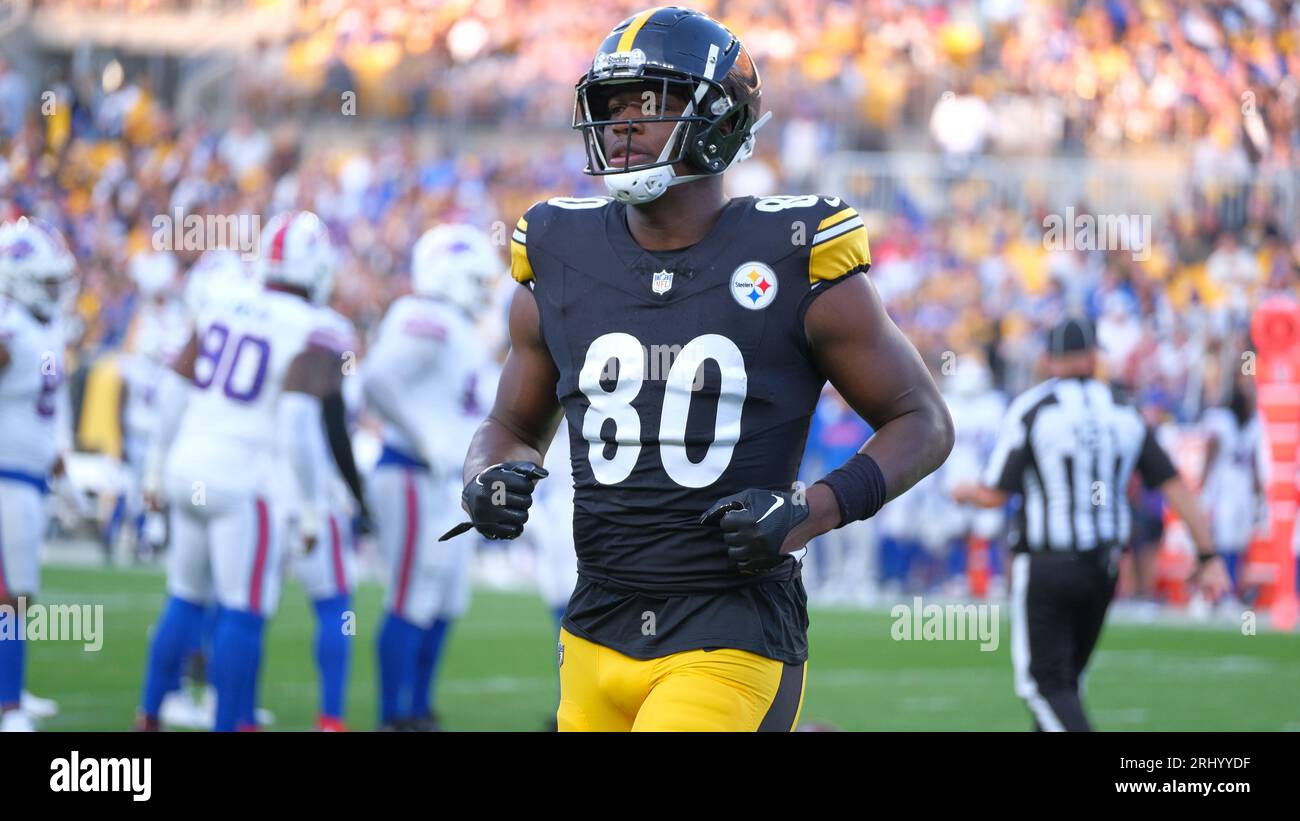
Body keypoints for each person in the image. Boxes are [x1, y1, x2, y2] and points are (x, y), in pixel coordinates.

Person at [452, 7, 953, 732]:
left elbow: (924, 420)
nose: (622, 123)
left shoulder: (792, 250)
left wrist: (812, 510)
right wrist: (484, 475)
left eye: (649, 103)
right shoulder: (561, 251)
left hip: (730, 626)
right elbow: (510, 425)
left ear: (720, 119)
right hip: (593, 623)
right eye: (612, 104)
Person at [953, 317, 1230, 731]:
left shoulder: (1034, 407)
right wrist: (1208, 555)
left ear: (1049, 359)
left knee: (1043, 686)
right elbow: (1174, 485)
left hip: (1047, 565)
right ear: (1092, 357)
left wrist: (960, 490)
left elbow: (994, 493)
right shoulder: (1123, 408)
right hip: (1103, 567)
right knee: (1065, 684)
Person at [136, 210, 348, 731]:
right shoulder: (314, 327)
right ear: (316, 267)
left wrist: (156, 468)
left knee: (185, 597)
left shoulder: (222, 299)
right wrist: (310, 508)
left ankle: (148, 715)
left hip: (189, 461)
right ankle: (230, 722)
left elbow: (172, 389)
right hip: (245, 475)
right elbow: (299, 424)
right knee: (243, 610)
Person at [361, 224, 497, 731]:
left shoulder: (459, 327)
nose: (484, 291)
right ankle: (391, 716)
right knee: (410, 597)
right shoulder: (425, 315)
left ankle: (417, 709)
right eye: (476, 279)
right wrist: (427, 440)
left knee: (446, 598)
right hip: (412, 473)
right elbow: (376, 379)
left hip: (447, 485)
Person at [0, 218, 77, 733]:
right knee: (10, 595)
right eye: (46, 280)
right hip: (6, 475)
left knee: (18, 594)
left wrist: (61, 471)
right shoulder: (9, 326)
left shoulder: (41, 327)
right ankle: (9, 708)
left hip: (27, 476)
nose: (54, 290)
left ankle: (11, 690)